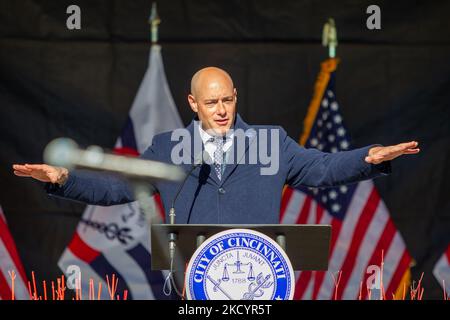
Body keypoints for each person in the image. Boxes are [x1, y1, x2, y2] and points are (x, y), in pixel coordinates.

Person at [13, 67, 420, 224]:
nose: (222, 110)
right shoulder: (168, 147)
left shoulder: (270, 142)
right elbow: (118, 188)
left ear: (235, 96)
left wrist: (368, 158)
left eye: (228, 100)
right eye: (212, 103)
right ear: (193, 104)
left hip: (262, 281)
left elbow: (323, 168)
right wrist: (64, 179)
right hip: (197, 283)